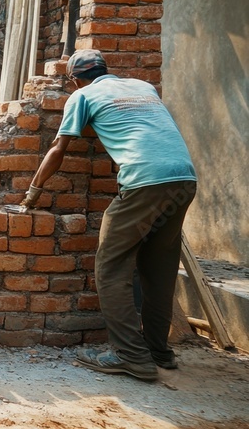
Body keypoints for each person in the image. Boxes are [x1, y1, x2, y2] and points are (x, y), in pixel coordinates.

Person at [21, 49, 197, 381]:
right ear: (106, 69)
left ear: (75, 79)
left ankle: (130, 355)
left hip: (145, 183)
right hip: (184, 179)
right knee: (159, 269)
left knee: (110, 267)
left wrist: (33, 193)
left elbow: (60, 148)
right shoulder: (144, 87)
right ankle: (159, 351)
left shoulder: (83, 95)